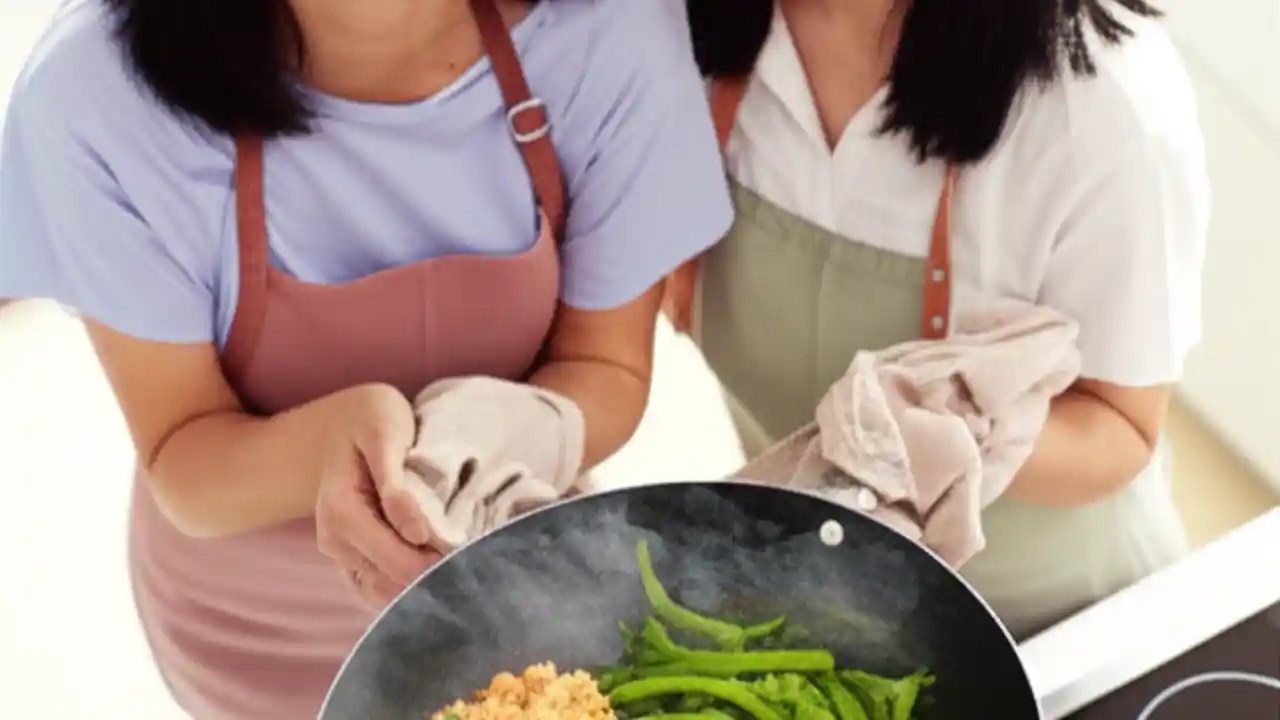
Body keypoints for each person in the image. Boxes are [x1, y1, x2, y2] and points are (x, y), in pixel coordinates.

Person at [0, 0, 731, 716]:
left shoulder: (612, 29)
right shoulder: (96, 94)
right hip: (254, 633)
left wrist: (522, 425)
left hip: (520, 584)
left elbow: (608, 367)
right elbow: (182, 452)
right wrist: (333, 438)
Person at [667, 0, 1209, 639]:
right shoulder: (670, 29)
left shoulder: (1104, 99)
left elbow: (1123, 426)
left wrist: (960, 434)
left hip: (1068, 627)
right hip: (819, 607)